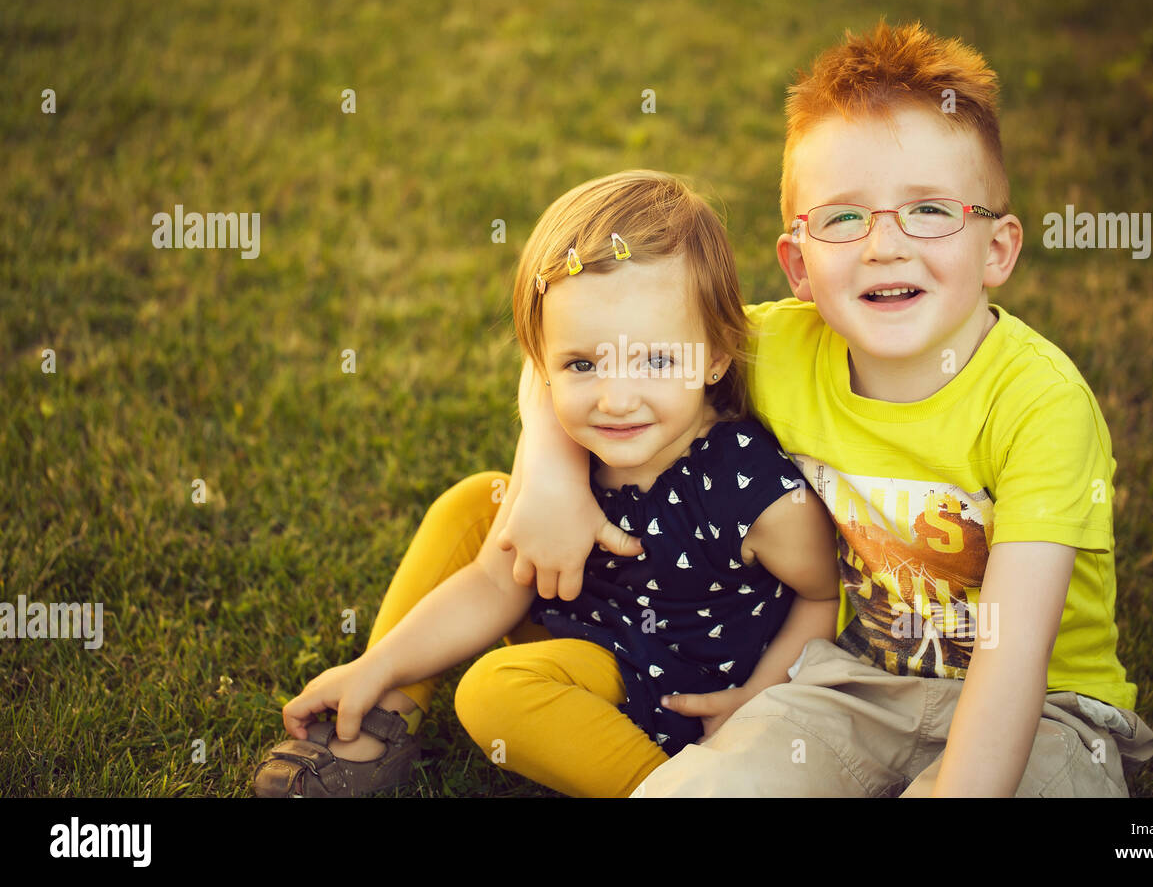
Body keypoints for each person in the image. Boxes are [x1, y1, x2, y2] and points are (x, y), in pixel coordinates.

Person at [505, 22, 1153, 797]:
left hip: (1045, 709)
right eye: (845, 218)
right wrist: (547, 468)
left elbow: (1012, 653)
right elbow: (586, 349)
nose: (885, 246)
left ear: (998, 249)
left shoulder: (1041, 406)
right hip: (847, 681)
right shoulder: (774, 345)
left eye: (929, 210)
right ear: (799, 265)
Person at [252, 169, 841, 798]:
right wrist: (378, 661)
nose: (616, 399)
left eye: (658, 359)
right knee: (478, 500)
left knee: (494, 692)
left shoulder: (750, 490)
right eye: (582, 364)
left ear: (717, 356)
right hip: (574, 621)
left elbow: (820, 597)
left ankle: (668, 788)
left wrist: (756, 701)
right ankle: (381, 704)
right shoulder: (572, 445)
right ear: (544, 361)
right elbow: (491, 580)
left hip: (660, 679)